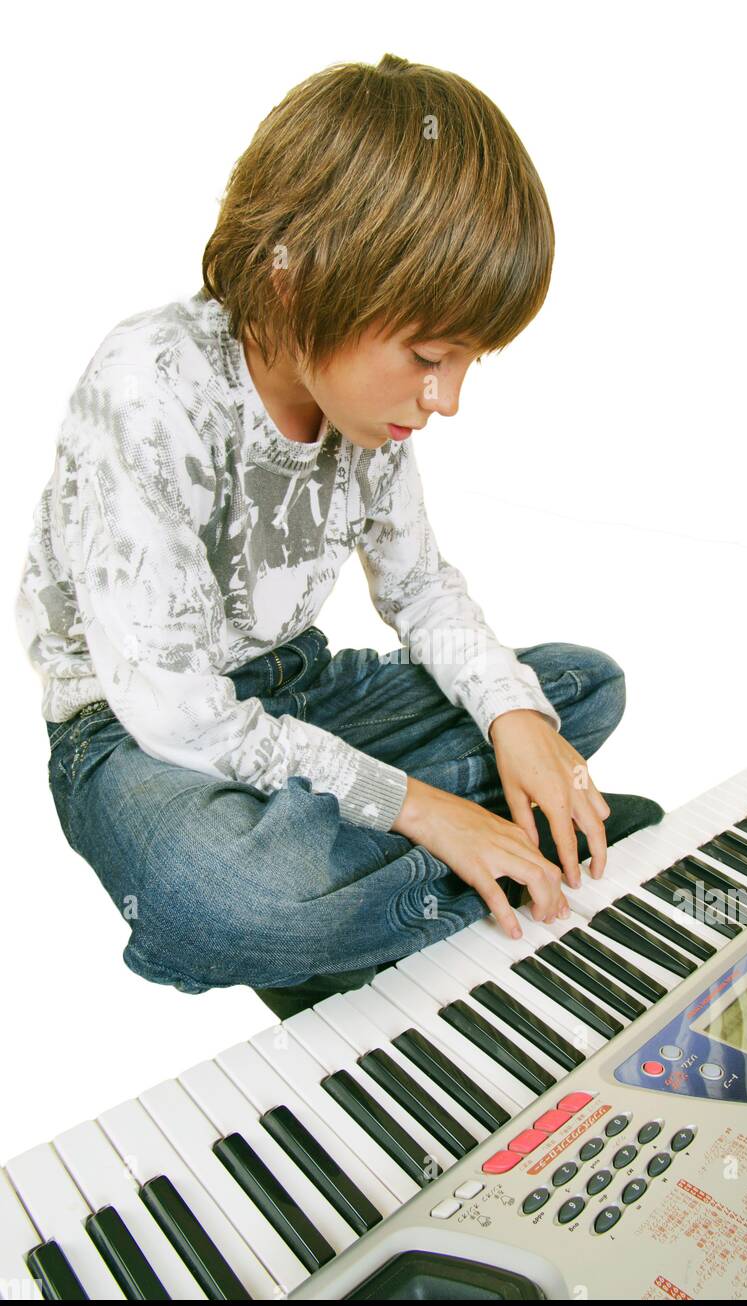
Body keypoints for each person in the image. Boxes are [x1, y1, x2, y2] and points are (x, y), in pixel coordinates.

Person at [16, 53, 664, 1020]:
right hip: (132, 736)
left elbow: (419, 590)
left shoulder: (365, 416)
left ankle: (379, 884)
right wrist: (423, 807)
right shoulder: (148, 385)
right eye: (430, 357)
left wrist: (513, 721)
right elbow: (181, 713)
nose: (445, 400)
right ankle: (469, 863)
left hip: (302, 693)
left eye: (466, 363)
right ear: (296, 283)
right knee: (219, 900)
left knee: (579, 686)